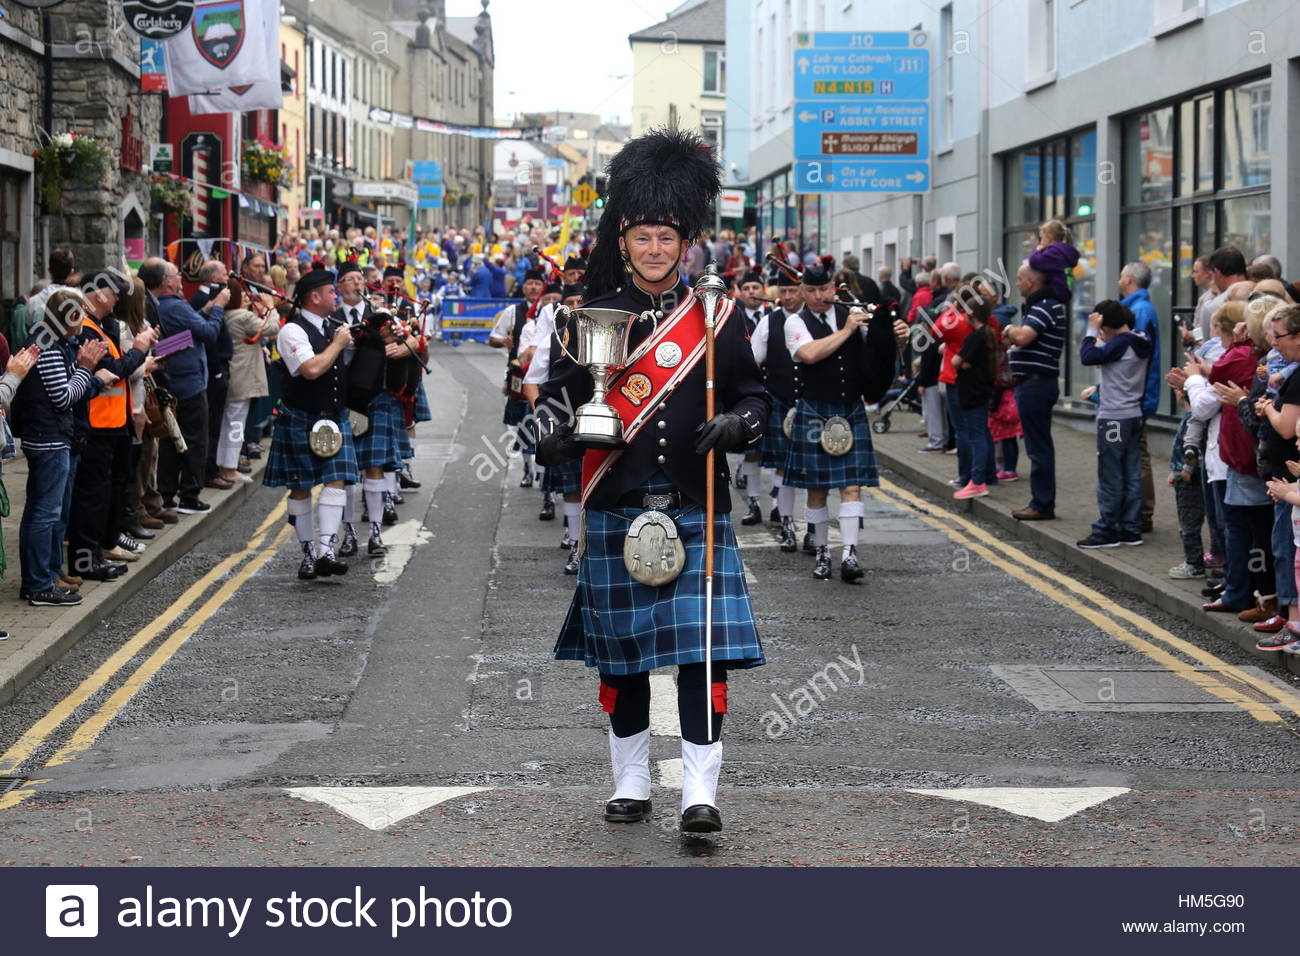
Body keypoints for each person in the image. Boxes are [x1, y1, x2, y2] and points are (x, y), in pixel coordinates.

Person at [534, 128, 769, 833]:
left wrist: (739, 425)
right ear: (625, 238)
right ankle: (631, 782)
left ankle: (701, 793)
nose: (656, 249)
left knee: (702, 660)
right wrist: (556, 433)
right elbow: (554, 400)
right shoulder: (589, 317)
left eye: (668, 237)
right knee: (623, 660)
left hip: (695, 505)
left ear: (686, 241)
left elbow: (758, 395)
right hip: (615, 502)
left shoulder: (719, 315)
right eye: (643, 237)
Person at [783, 263, 900, 581]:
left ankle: (849, 554)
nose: (821, 296)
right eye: (813, 290)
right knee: (817, 490)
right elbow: (809, 354)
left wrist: (891, 335)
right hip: (815, 411)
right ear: (804, 292)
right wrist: (848, 330)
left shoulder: (853, 313)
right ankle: (822, 553)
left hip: (850, 408)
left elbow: (876, 350)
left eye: (826, 289)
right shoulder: (795, 321)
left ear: (835, 288)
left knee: (852, 487)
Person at [11, 289, 113, 605]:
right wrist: (86, 370)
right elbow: (63, 397)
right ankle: (40, 584)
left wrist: (86, 374)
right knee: (45, 513)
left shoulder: (52, 344)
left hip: (47, 437)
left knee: (42, 513)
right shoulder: (52, 349)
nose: (83, 319)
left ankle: (44, 578)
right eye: (79, 313)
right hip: (50, 440)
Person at [264, 266, 358, 580]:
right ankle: (308, 553)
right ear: (315, 297)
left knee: (337, 480)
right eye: (332, 291)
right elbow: (311, 370)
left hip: (334, 417)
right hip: (301, 417)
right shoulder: (292, 331)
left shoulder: (335, 325)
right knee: (300, 486)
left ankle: (326, 551)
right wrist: (337, 344)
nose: (337, 295)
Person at [142, 259, 226, 515]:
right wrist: (219, 308)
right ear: (167, 282)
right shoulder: (175, 306)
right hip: (188, 383)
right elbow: (209, 334)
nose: (181, 278)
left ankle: (167, 495)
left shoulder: (159, 306)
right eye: (176, 274)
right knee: (195, 440)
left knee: (171, 442)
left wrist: (205, 310)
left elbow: (179, 337)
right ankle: (190, 495)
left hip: (172, 381)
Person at [1075, 300, 1153, 548]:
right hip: (1133, 416)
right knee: (1131, 472)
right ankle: (1131, 528)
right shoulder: (1141, 339)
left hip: (1113, 419)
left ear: (1105, 325)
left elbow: (1087, 356)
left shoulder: (1118, 344)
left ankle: (1107, 529)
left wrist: (1090, 332)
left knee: (1110, 474)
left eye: (1100, 327)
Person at [1004, 262, 1066, 520]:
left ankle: (1042, 504)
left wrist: (1008, 330)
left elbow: (1023, 337)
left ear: (1031, 282)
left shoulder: (1044, 307)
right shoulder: (1043, 306)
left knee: (1037, 446)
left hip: (1036, 384)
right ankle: (1041, 501)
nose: (1017, 283)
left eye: (1019, 279)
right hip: (1033, 383)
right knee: (1037, 444)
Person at [751, 268, 804, 551]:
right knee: (784, 466)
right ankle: (786, 524)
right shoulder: (768, 323)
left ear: (803, 291)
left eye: (792, 291)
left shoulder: (817, 321)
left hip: (811, 403)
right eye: (783, 292)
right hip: (781, 400)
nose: (787, 297)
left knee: (813, 472)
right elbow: (752, 361)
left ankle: (811, 531)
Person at [488, 267, 545, 488]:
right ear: (524, 287)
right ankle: (527, 469)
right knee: (524, 424)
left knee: (542, 423)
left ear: (542, 288)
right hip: (519, 377)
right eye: (529, 283)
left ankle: (540, 469)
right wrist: (504, 342)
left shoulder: (550, 310)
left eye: (537, 284)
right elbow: (493, 338)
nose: (533, 287)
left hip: (545, 377)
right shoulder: (513, 311)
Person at [1117, 260, 1161, 532]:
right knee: (1133, 452)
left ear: (1130, 279)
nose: (1119, 280)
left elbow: (1136, 355)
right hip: (1137, 394)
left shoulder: (1140, 310)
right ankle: (1136, 510)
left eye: (1122, 276)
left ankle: (1142, 513)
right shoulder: (1138, 307)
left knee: (1137, 454)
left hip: (1136, 396)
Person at [948, 290, 998, 499]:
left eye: (966, 309)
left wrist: (962, 362)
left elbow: (955, 362)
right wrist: (964, 363)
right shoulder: (987, 333)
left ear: (972, 313)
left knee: (976, 435)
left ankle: (977, 481)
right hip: (981, 390)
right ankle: (984, 476)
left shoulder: (975, 336)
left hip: (973, 392)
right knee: (981, 433)